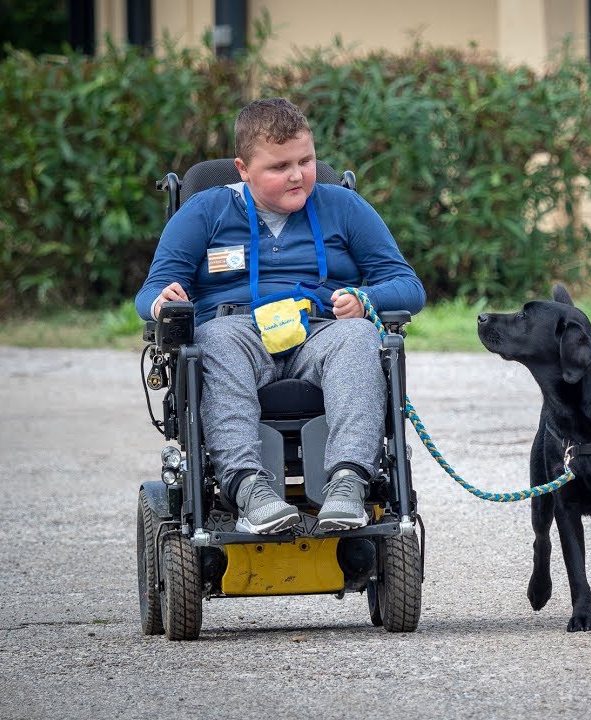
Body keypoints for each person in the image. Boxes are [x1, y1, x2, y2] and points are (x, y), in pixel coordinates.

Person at [136, 97, 426, 534]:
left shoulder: (342, 207)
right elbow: (150, 293)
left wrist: (367, 300)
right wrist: (163, 302)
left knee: (361, 337)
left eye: (306, 160)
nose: (297, 175)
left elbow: (407, 285)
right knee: (213, 339)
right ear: (243, 168)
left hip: (320, 331)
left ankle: (348, 483)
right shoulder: (205, 211)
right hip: (237, 331)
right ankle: (250, 489)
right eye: (279, 167)